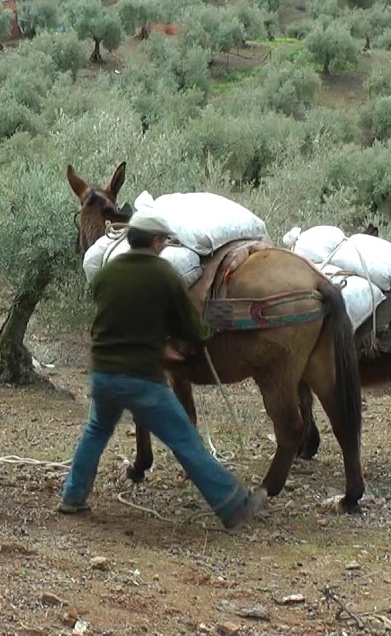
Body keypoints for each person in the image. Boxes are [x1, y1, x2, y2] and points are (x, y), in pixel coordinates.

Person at [57, 209, 267, 529]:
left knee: (96, 431)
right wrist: (208, 334)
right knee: (185, 440)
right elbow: (189, 327)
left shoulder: (107, 273)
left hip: (102, 373)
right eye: (163, 241)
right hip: (140, 377)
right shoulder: (164, 274)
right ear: (156, 243)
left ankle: (72, 497)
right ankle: (233, 505)